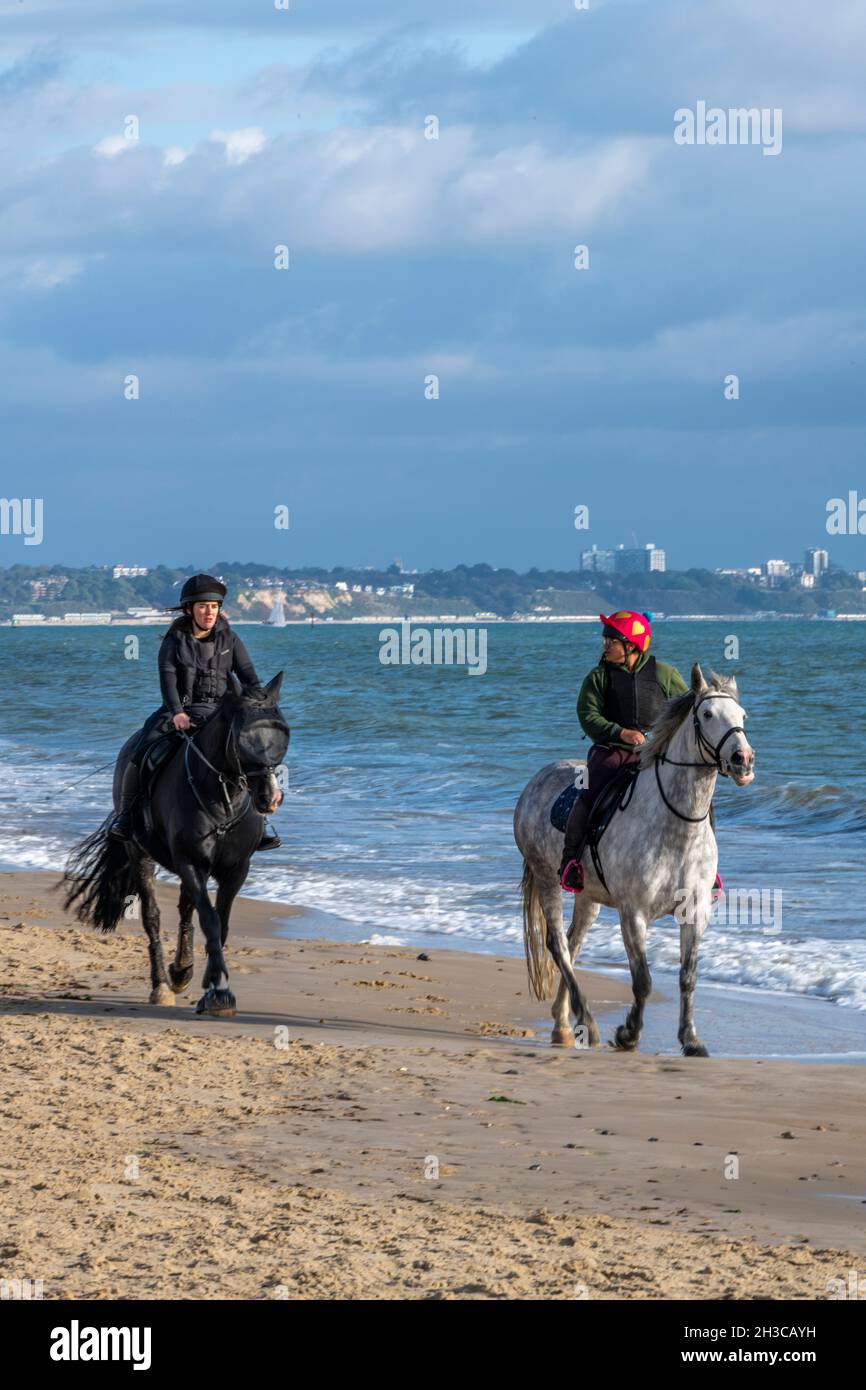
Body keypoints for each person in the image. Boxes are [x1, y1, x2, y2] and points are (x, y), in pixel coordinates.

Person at [109, 573, 281, 849]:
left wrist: (256, 706)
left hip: (220, 714)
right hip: (179, 712)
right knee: (142, 751)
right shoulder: (174, 641)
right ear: (190, 609)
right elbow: (167, 681)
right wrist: (177, 711)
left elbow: (249, 677)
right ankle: (126, 816)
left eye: (214, 607)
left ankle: (259, 825)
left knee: (252, 757)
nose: (209, 612)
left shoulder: (231, 640)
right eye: (203, 606)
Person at [560, 610, 698, 893]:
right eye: (606, 639)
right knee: (590, 792)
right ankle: (571, 862)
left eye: (611, 639)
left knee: (697, 798)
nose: (605, 645)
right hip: (612, 752)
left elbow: (688, 712)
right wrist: (620, 733)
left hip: (656, 753)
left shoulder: (665, 674)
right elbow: (587, 715)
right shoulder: (598, 677)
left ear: (631, 645)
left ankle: (706, 872)